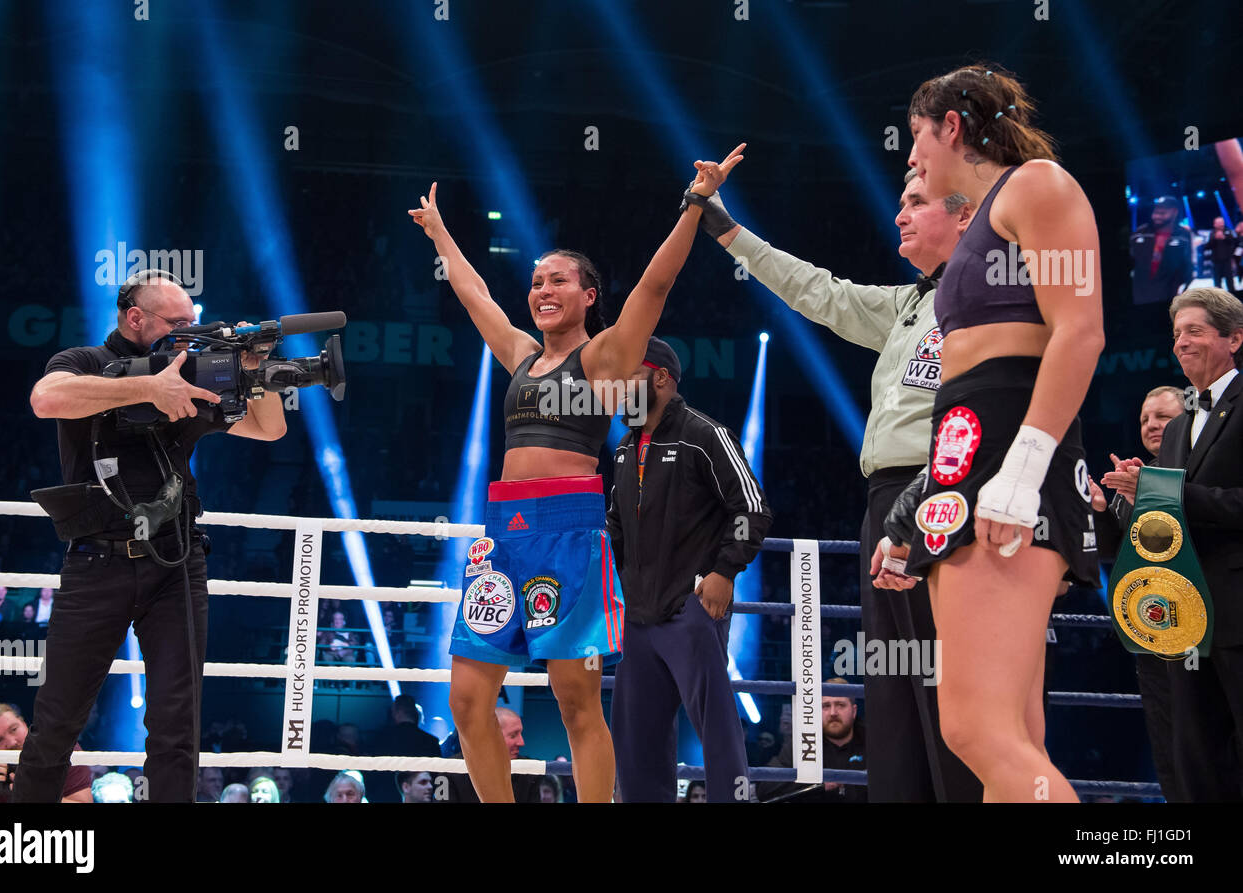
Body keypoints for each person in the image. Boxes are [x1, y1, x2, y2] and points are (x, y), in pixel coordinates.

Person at [407, 144, 744, 803]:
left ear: (589, 296)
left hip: (572, 533)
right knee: (467, 698)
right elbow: (475, 295)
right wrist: (441, 231)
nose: (543, 290)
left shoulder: (604, 358)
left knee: (574, 698)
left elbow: (655, 285)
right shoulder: (522, 354)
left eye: (558, 280)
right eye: (536, 282)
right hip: (503, 535)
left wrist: (695, 204)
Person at [696, 166, 981, 802]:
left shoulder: (993, 295)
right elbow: (818, 292)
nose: (899, 214)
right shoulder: (911, 305)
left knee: (946, 683)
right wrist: (727, 230)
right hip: (887, 501)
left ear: (966, 216)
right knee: (897, 687)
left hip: (944, 494)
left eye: (915, 201)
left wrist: (930, 497)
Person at [874, 63, 1104, 803]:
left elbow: (1081, 332)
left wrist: (1025, 465)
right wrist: (917, 508)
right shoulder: (980, 225)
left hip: (1008, 454)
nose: (910, 158)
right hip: (967, 456)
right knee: (1009, 732)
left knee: (972, 728)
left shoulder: (1040, 184)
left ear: (951, 127)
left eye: (917, 137)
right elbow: (963, 396)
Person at [16, 269, 288, 803]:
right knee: (58, 719)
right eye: (178, 322)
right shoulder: (84, 362)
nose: (190, 330)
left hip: (176, 563)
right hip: (97, 561)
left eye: (194, 321)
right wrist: (148, 387)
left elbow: (268, 427)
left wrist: (254, 367)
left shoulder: (192, 371)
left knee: (176, 727)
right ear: (135, 317)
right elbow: (45, 399)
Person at [605, 337, 771, 802]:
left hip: (690, 608)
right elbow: (615, 528)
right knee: (636, 743)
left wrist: (724, 572)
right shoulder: (623, 448)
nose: (618, 387)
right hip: (636, 618)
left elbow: (753, 509)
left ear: (660, 377)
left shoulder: (704, 434)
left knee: (717, 731)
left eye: (628, 376)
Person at [1102, 287, 1243, 801]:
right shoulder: (1180, 426)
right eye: (1177, 333)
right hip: (1185, 615)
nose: (1181, 343)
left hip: (1236, 609)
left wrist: (1164, 491)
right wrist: (1131, 499)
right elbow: (1171, 521)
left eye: (1195, 331)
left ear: (1234, 338)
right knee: (1196, 760)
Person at [1088, 385, 1185, 801]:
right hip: (1151, 629)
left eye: (1162, 417)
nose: (1152, 426)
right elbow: (1113, 550)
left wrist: (1147, 492)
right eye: (1146, 419)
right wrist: (1099, 510)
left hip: (1203, 629)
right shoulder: (1137, 476)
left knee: (1209, 739)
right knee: (1167, 740)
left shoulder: (1198, 468)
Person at [0, 703, 92, 803]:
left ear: (24, 724)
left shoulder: (60, 749)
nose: (11, 742)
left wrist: (42, 796)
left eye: (14, 729)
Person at [368, 694, 443, 802]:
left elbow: (371, 775)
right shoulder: (430, 741)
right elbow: (438, 777)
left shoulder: (380, 740)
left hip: (384, 798)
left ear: (395, 712)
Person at [1130, 196, 1195, 306]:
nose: (1157, 215)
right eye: (1156, 211)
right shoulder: (1141, 232)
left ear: (1174, 212)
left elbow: (1187, 261)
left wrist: (1184, 285)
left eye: (1163, 212)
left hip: (1168, 291)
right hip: (1140, 291)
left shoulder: (1183, 234)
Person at [1202, 217, 1239, 292]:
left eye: (1222, 222)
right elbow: (1207, 247)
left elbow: (1234, 242)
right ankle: (1218, 298)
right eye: (1219, 223)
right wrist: (1214, 239)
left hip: (1227, 260)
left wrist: (1224, 237)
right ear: (1215, 224)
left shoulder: (1228, 231)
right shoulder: (1211, 233)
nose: (1221, 224)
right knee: (1217, 281)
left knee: (1230, 280)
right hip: (1216, 261)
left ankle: (1233, 295)